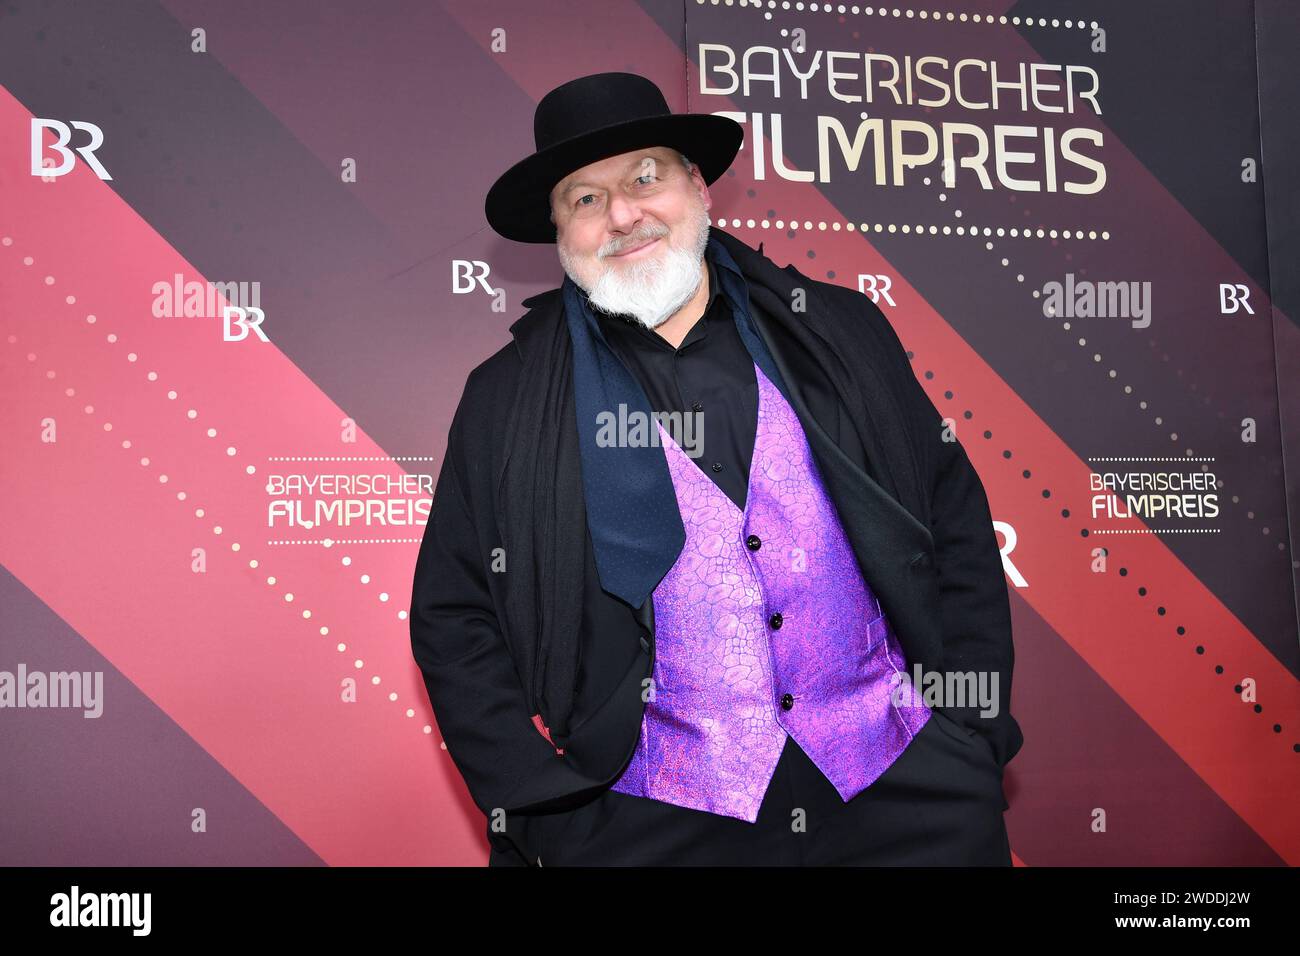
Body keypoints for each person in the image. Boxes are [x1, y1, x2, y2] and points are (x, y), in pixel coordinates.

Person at [410, 72, 1022, 866]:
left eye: (643, 177)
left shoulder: (837, 332)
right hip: (653, 822)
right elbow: (453, 616)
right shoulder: (506, 400)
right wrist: (544, 810)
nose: (624, 215)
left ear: (696, 185)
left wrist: (968, 735)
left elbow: (956, 525)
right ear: (560, 231)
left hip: (902, 790)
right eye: (586, 199)